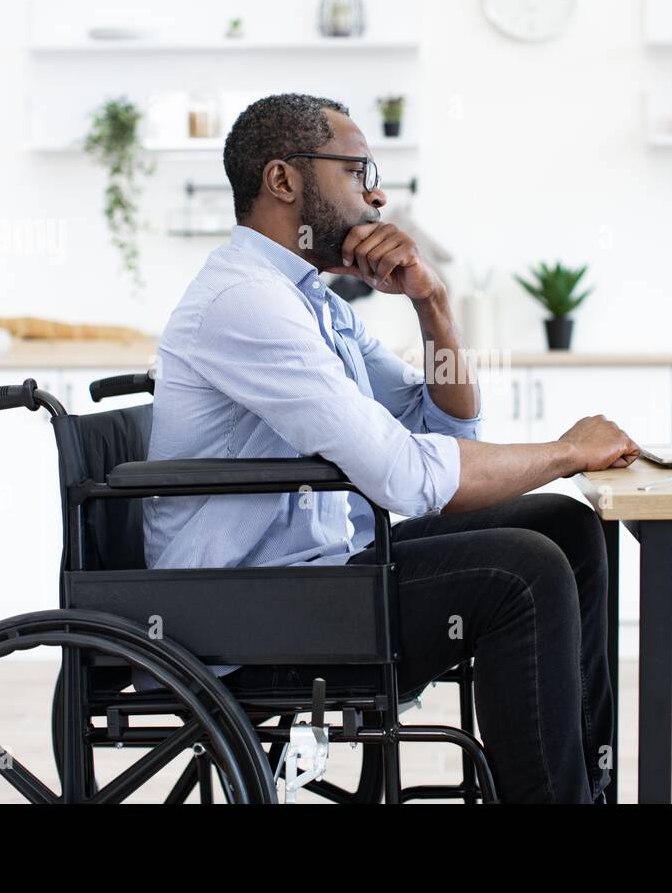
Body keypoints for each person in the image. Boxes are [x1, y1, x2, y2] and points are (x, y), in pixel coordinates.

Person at [144, 92, 639, 803]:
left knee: (565, 525)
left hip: (317, 574)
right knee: (521, 571)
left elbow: (438, 423)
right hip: (246, 605)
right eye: (356, 170)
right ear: (283, 181)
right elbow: (409, 477)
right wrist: (565, 452)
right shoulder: (247, 301)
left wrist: (432, 306)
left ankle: (582, 790)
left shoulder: (314, 299)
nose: (376, 193)